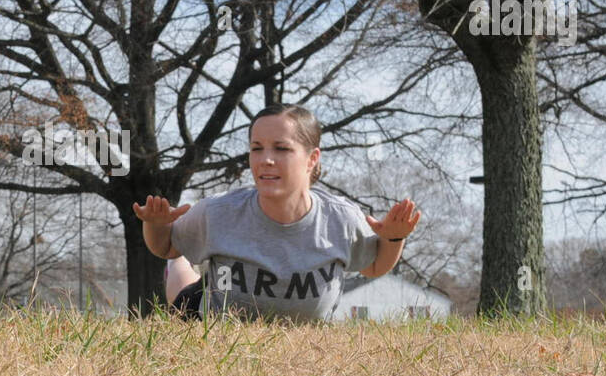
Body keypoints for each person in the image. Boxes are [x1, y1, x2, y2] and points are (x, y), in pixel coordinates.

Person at [132, 103, 421, 321]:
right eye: (257, 149)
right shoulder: (217, 212)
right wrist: (156, 225)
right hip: (207, 318)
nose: (266, 160)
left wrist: (394, 239)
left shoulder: (341, 219)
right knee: (183, 279)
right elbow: (165, 245)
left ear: (312, 159)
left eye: (281, 148)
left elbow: (373, 266)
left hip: (301, 343)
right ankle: (185, 264)